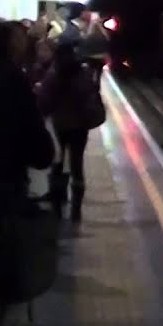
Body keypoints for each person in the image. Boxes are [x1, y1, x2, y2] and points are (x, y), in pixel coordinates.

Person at [37, 42, 102, 222]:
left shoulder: (53, 75)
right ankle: (76, 210)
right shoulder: (83, 73)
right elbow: (92, 94)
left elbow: (44, 102)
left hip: (59, 126)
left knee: (57, 163)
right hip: (80, 126)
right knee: (77, 165)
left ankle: (57, 205)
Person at [0, 22, 56, 216]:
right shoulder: (13, 76)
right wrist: (42, 151)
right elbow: (27, 121)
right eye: (19, 39)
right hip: (8, 167)